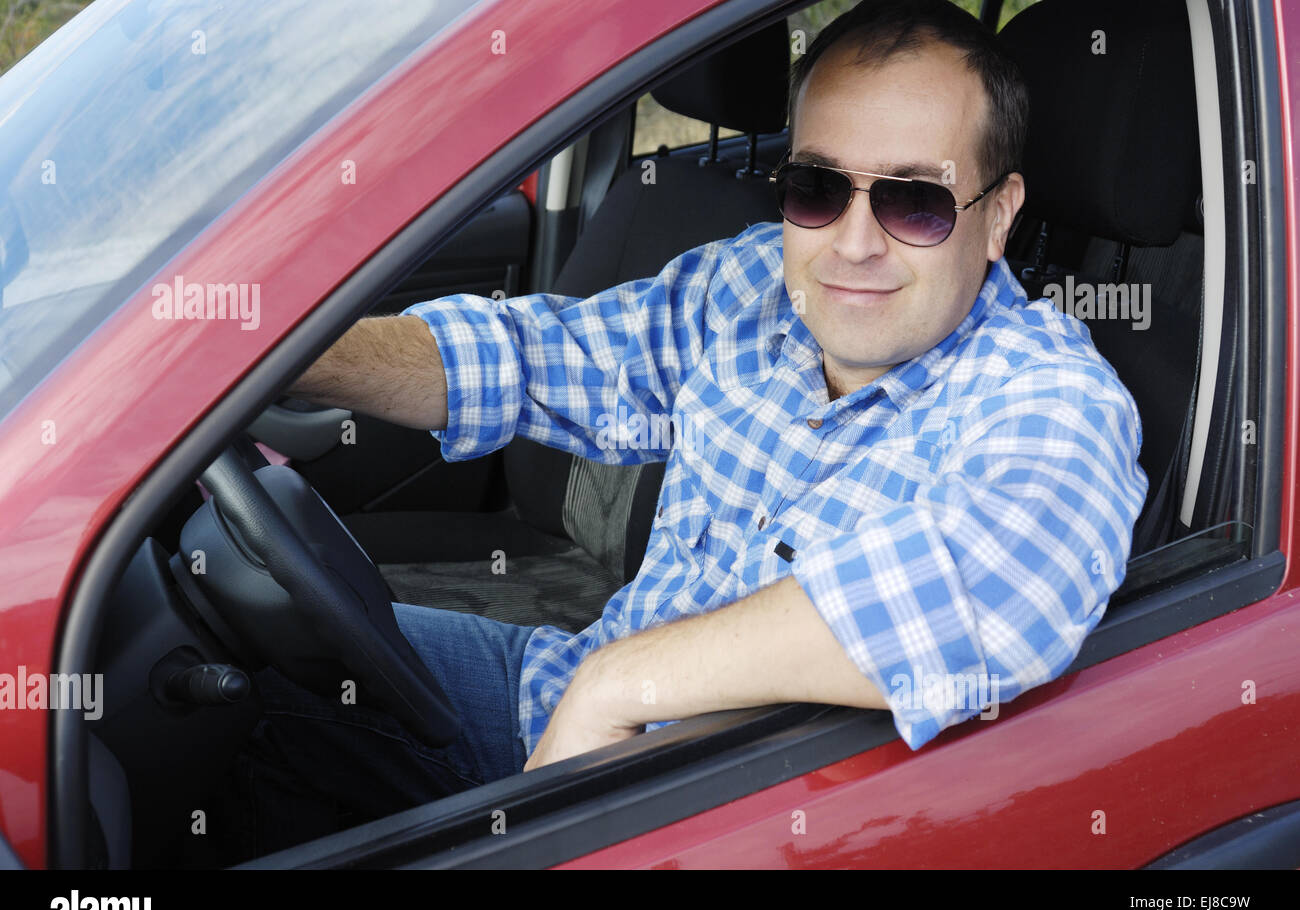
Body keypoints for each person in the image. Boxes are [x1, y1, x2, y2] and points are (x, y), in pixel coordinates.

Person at [215, 0, 1146, 860]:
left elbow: (995, 581)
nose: (855, 242)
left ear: (999, 218)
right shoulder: (753, 288)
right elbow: (536, 356)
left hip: (702, 809)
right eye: (819, 187)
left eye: (916, 203)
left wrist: (621, 685)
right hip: (558, 699)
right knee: (249, 656)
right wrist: (274, 349)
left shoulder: (1049, 397)